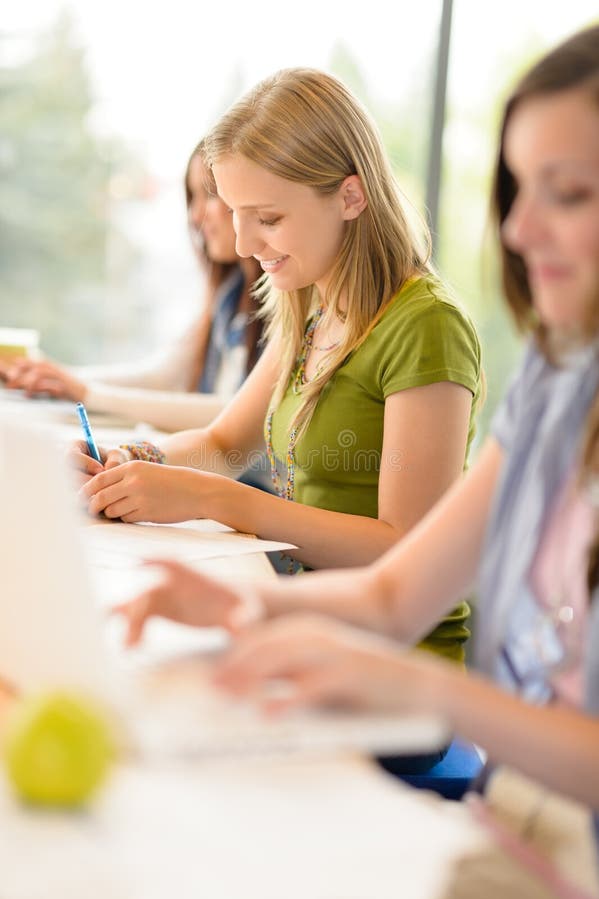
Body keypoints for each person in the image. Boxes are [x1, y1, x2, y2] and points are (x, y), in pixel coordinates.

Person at [114, 25, 599, 890]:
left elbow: (395, 564)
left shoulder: (427, 326)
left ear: (346, 196)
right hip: (517, 815)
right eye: (517, 190)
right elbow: (388, 591)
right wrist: (225, 600)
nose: (517, 230)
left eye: (566, 192)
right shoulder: (557, 383)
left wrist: (432, 693)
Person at [72, 68, 481, 680]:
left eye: (266, 217)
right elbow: (221, 445)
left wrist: (211, 496)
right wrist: (123, 462)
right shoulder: (309, 301)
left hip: (394, 666)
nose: (241, 243)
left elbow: (402, 547)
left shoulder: (426, 326)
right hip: (304, 625)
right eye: (235, 212)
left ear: (350, 196)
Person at [0, 142, 264, 433]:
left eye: (211, 195)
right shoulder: (228, 295)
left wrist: (84, 391)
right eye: (193, 198)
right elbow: (161, 376)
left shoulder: (284, 304)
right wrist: (58, 379)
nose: (196, 216)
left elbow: (236, 414)